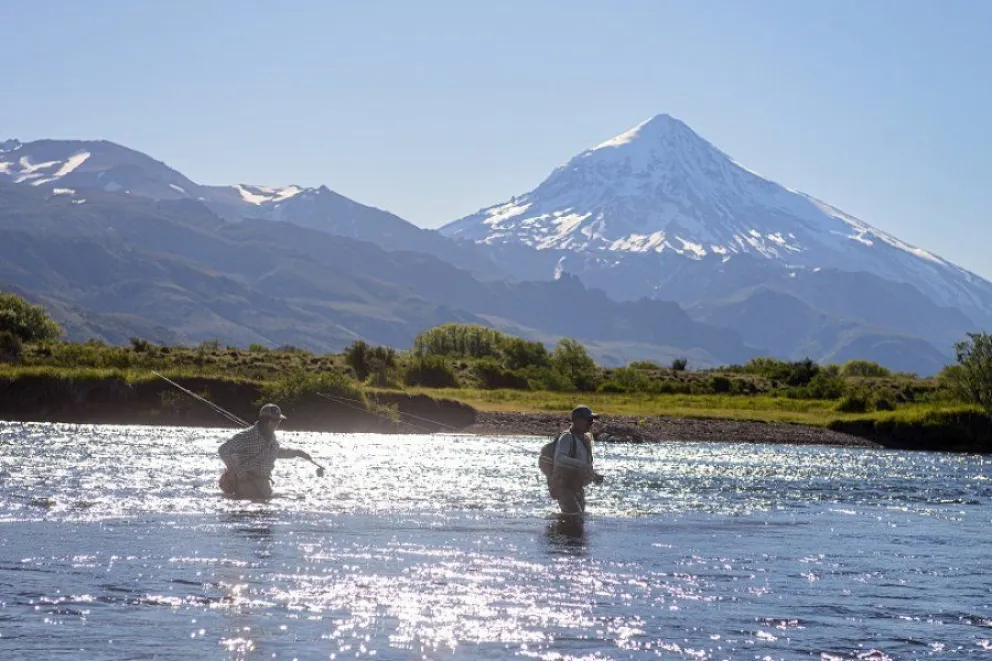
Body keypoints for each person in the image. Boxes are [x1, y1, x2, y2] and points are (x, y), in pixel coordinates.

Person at [217, 403, 314, 499]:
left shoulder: (272, 440)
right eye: (275, 420)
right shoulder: (246, 437)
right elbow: (223, 450)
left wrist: (298, 453)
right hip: (245, 484)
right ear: (264, 420)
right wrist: (239, 472)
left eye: (279, 421)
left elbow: (278, 452)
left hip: (264, 485)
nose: (277, 424)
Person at [549, 405, 605, 515]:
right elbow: (559, 458)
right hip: (563, 486)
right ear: (577, 421)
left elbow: (586, 464)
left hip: (577, 486)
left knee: (580, 517)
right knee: (574, 516)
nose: (591, 423)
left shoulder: (586, 438)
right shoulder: (566, 437)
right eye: (588, 420)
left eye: (592, 420)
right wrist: (581, 464)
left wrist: (594, 476)